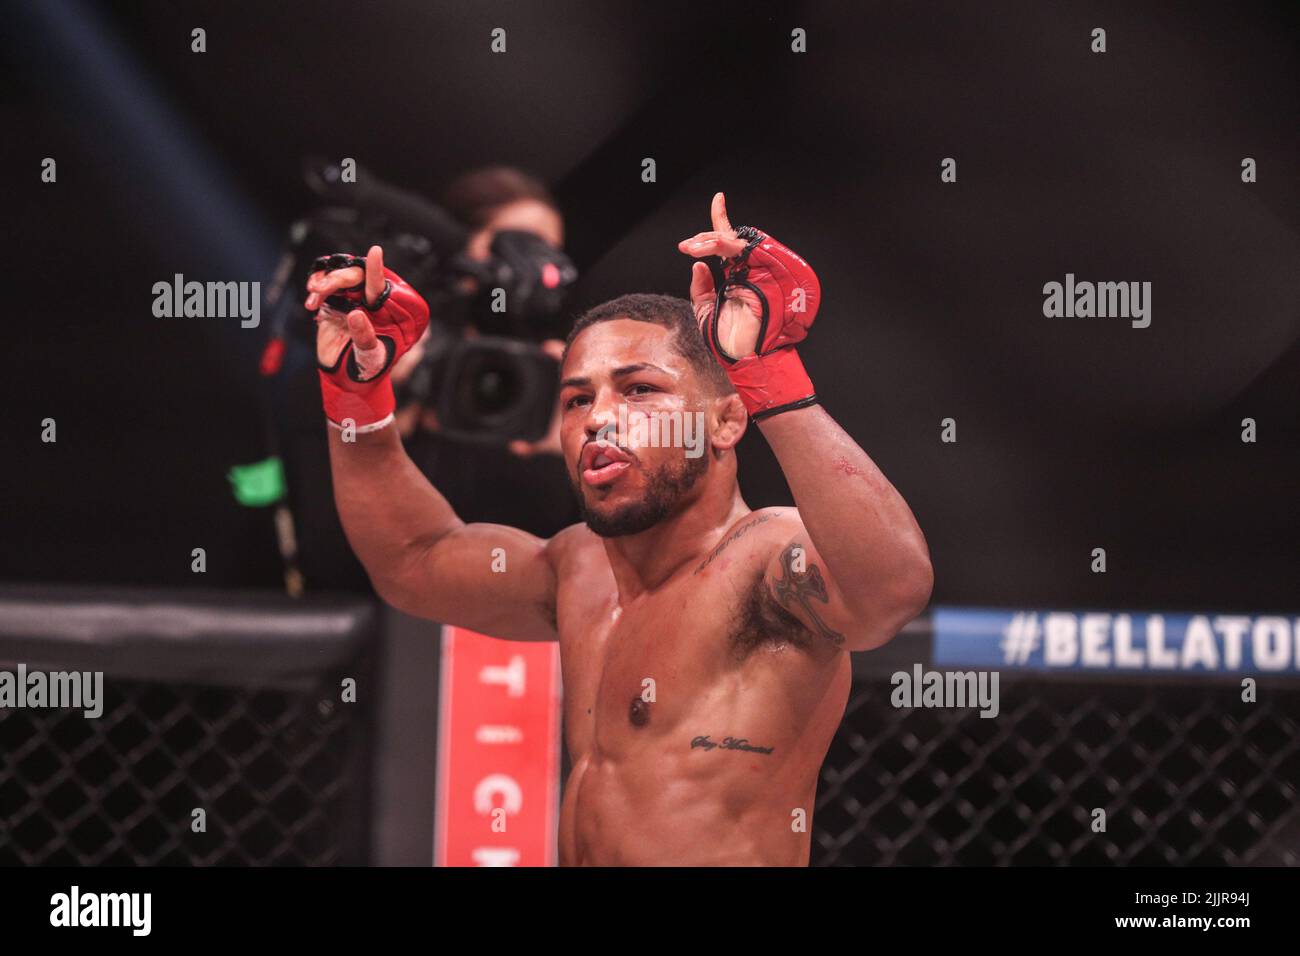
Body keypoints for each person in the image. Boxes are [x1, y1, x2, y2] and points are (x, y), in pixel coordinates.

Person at [306, 192, 933, 865]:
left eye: (639, 390)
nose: (600, 419)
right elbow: (413, 561)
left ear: (724, 421)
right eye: (579, 399)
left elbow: (889, 590)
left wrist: (770, 374)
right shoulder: (580, 567)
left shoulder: (763, 558)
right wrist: (358, 396)